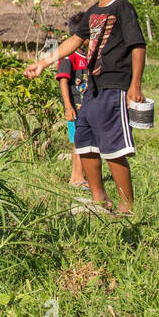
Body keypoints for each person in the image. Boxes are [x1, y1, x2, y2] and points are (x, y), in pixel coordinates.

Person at [24, 0, 146, 215]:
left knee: (113, 147)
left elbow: (138, 45)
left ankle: (127, 207)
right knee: (84, 141)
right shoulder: (93, 11)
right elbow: (75, 41)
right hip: (92, 87)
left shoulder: (122, 6)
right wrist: (44, 62)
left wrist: (135, 85)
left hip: (115, 86)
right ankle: (99, 199)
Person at [55, 11, 90, 189]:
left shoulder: (89, 56)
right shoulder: (70, 57)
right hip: (76, 108)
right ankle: (76, 177)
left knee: (87, 141)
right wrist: (68, 107)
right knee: (79, 142)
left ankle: (84, 175)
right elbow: (63, 81)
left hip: (88, 107)